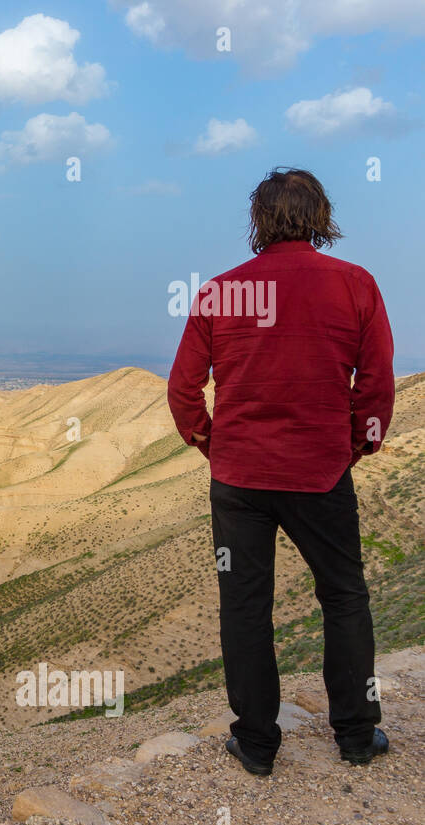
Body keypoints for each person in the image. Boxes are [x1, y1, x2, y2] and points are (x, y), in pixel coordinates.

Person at [167, 167, 395, 777]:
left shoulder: (221, 292)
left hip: (239, 479)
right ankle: (354, 734)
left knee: (243, 605)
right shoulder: (356, 285)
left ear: (258, 221)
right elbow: (375, 386)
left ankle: (257, 745)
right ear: (320, 217)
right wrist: (354, 446)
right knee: (344, 597)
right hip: (320, 474)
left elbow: (184, 389)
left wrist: (213, 444)